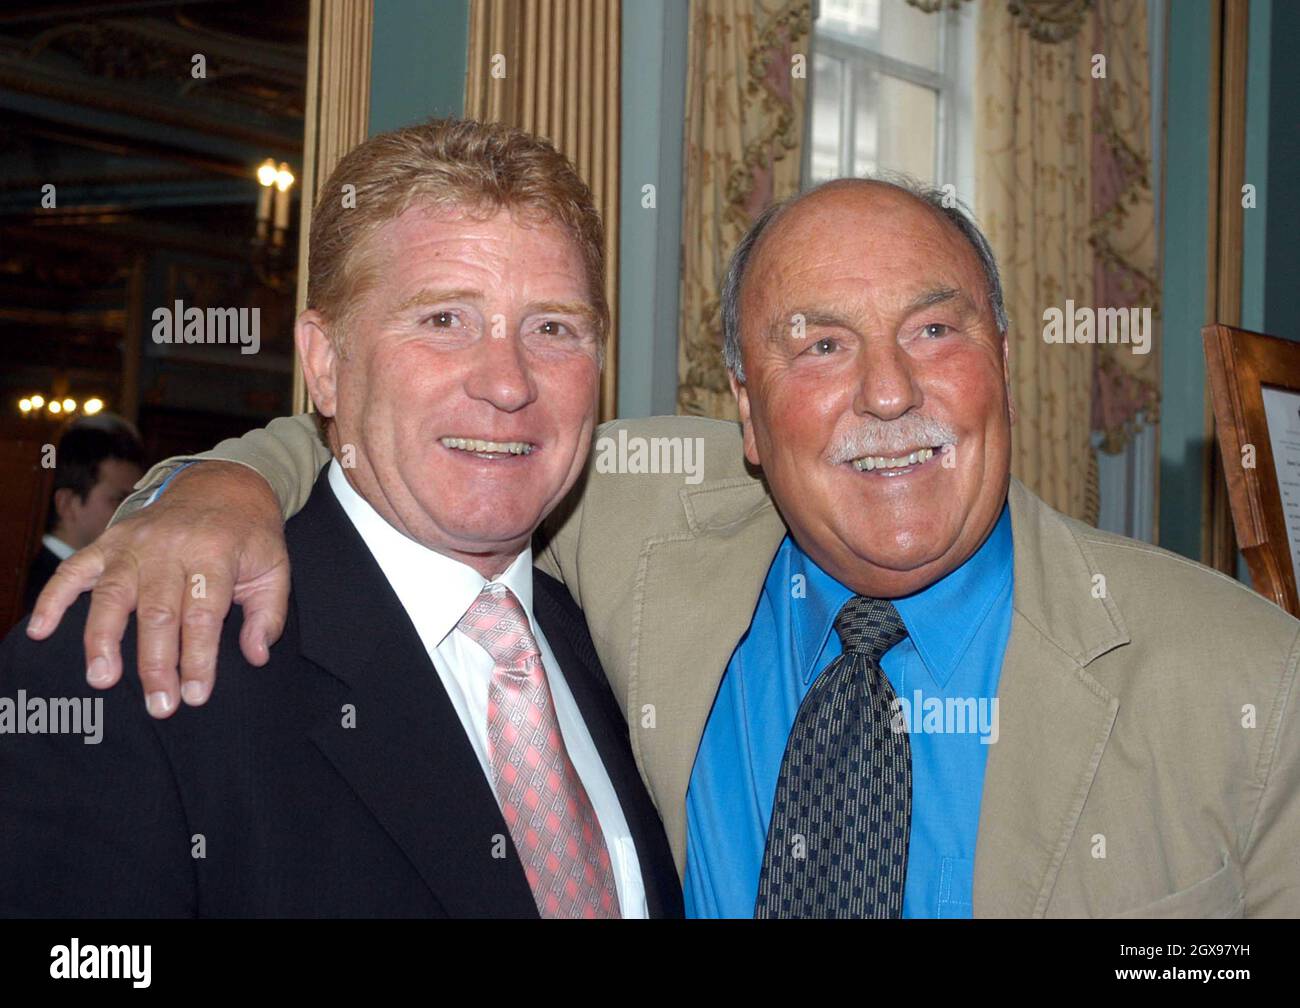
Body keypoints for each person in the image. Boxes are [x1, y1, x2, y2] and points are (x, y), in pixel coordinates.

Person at [29, 175, 1300, 918]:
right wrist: (205, 490)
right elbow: (414, 443)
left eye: (934, 330)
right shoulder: (643, 527)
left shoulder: (1250, 684)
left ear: (1004, 365)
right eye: (815, 345)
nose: (887, 394)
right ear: (741, 414)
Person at [1, 119, 681, 919]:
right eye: (444, 320)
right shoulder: (134, 660)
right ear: (324, 365)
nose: (508, 383)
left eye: (554, 328)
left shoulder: (614, 642)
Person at [22, 415, 143, 613]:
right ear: (67, 504)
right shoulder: (38, 586)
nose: (137, 513)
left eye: (138, 500)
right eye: (120, 500)